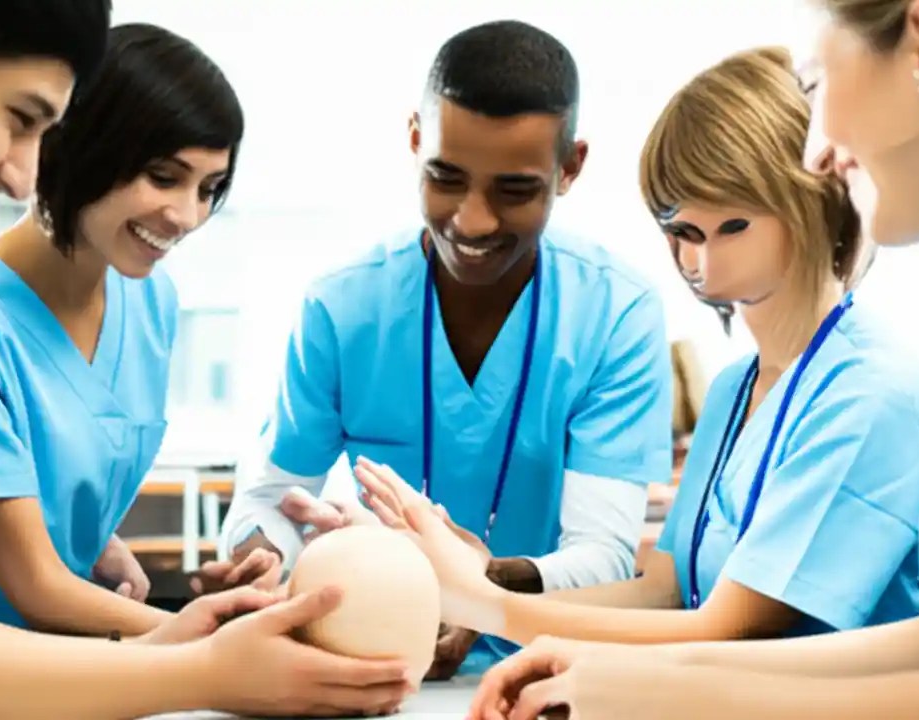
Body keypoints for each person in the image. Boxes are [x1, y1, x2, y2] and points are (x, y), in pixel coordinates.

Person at [0, 4, 414, 718]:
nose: (24, 176)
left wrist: (177, 649)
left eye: (209, 189)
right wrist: (206, 668)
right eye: (20, 119)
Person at [461, 1, 919, 718]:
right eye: (682, 228)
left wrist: (636, 676)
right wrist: (615, 663)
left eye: (812, 86)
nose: (815, 156)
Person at [355, 45, 919, 650]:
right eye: (680, 230)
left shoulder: (871, 396)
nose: (697, 259)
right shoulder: (735, 390)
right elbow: (664, 591)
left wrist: (483, 605)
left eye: (731, 225)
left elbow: (724, 627)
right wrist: (495, 580)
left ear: (811, 199)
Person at [220, 18, 675, 678]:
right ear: (413, 140)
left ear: (570, 168)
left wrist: (476, 588)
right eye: (446, 176)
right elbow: (270, 499)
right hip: (377, 660)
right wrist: (265, 554)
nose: (473, 219)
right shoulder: (341, 309)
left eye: (514, 189)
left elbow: (602, 554)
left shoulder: (616, 315)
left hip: (545, 667)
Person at [0, 21, 280, 641]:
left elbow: (35, 482)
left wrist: (95, 541)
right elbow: (35, 585)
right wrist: (211, 638)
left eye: (208, 189)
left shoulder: (151, 299)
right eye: (163, 176)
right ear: (80, 146)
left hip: (74, 662)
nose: (186, 215)